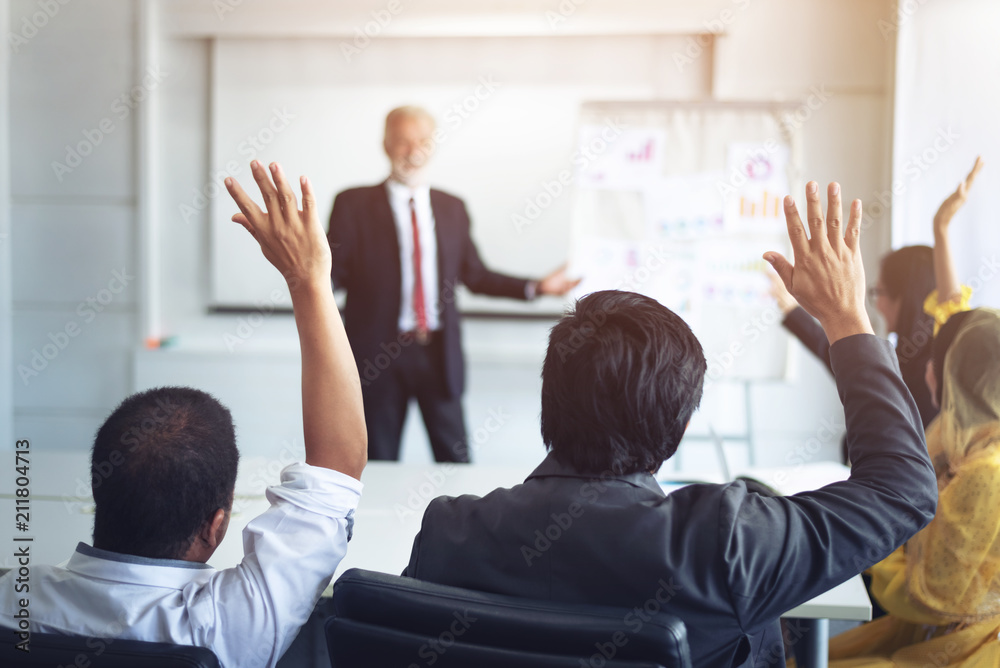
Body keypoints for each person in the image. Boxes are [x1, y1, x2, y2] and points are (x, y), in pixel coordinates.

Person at [402, 182, 939, 667]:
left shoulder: (448, 533)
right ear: (677, 429)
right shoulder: (724, 543)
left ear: (550, 400)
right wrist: (847, 316)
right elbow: (903, 491)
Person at [0, 161, 367, 668]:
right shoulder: (230, 624)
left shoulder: (15, 600)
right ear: (215, 527)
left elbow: (337, 465)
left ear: (99, 494)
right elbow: (339, 464)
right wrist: (308, 278)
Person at [327, 105, 579, 463]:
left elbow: (475, 275)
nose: (413, 151)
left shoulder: (452, 208)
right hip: (377, 359)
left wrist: (537, 287)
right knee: (378, 462)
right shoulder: (352, 204)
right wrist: (303, 267)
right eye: (402, 141)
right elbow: (332, 273)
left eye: (422, 141)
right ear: (385, 145)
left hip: (438, 356)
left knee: (456, 462)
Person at [824, 308, 1000, 668]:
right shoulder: (962, 437)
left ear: (961, 373)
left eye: (936, 360)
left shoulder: (986, 470)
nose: (927, 371)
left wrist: (869, 544)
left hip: (962, 643)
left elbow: (931, 597)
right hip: (936, 630)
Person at [770, 158, 983, 432]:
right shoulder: (903, 356)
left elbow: (952, 310)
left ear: (905, 298)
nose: (876, 303)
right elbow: (845, 357)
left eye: (879, 291)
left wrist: (941, 228)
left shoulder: (934, 365)